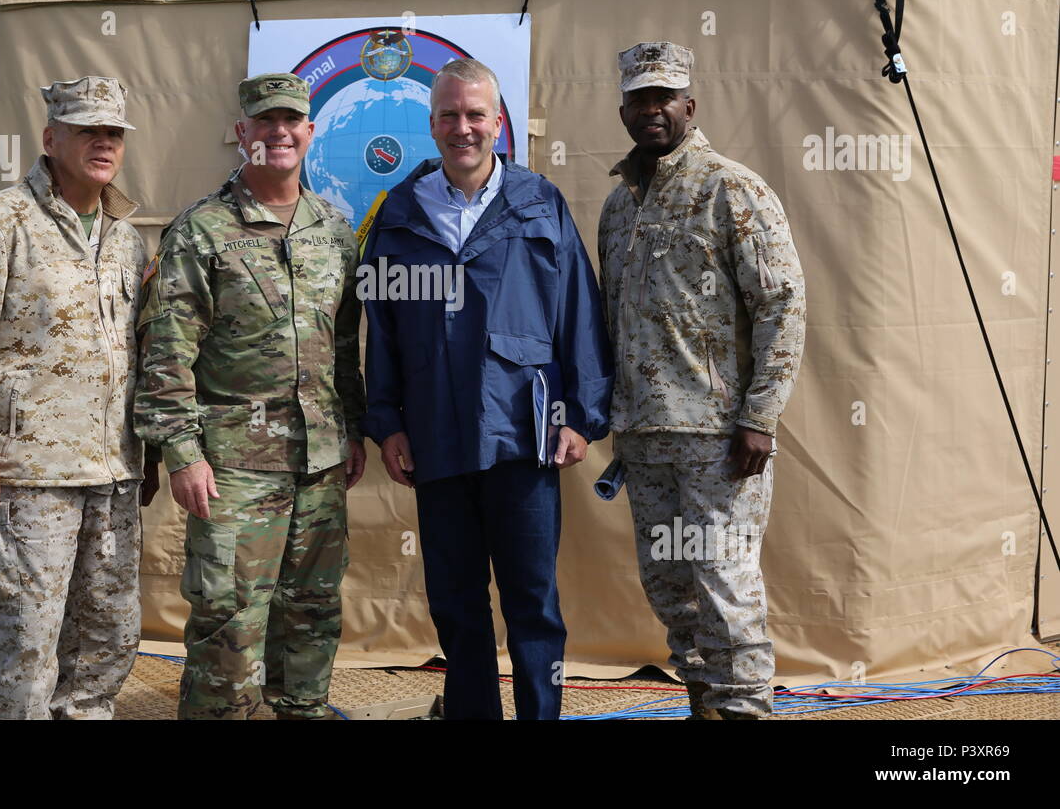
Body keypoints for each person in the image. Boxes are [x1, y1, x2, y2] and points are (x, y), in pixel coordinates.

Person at [361, 58, 613, 720]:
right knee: (456, 604)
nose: (463, 127)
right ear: (432, 124)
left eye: (476, 115)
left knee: (533, 602)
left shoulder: (539, 203)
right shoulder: (400, 214)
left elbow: (577, 313)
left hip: (522, 436)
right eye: (449, 115)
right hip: (438, 438)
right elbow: (380, 329)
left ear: (497, 122)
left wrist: (580, 415)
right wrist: (387, 422)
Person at [0, 75, 157, 719]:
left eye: (114, 133)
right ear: (52, 138)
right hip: (29, 476)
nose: (104, 143)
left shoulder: (126, 236)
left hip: (112, 474)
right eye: (88, 130)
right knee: (27, 642)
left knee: (106, 639)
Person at [133, 72, 366, 720]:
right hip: (232, 467)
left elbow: (344, 343)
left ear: (310, 132)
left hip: (319, 464)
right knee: (229, 624)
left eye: (291, 121)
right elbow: (167, 353)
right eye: (265, 122)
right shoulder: (201, 232)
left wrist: (353, 432)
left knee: (312, 612)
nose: (279, 133)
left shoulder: (334, 231)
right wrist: (181, 453)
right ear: (243, 134)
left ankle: (301, 710)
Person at [598, 42, 806, 720]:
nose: (652, 109)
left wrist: (760, 418)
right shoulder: (619, 205)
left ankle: (744, 713)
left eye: (665, 96)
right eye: (640, 97)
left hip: (719, 442)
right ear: (623, 107)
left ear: (691, 103)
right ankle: (705, 709)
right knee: (672, 592)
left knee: (725, 590)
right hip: (646, 440)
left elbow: (781, 304)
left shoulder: (732, 188)